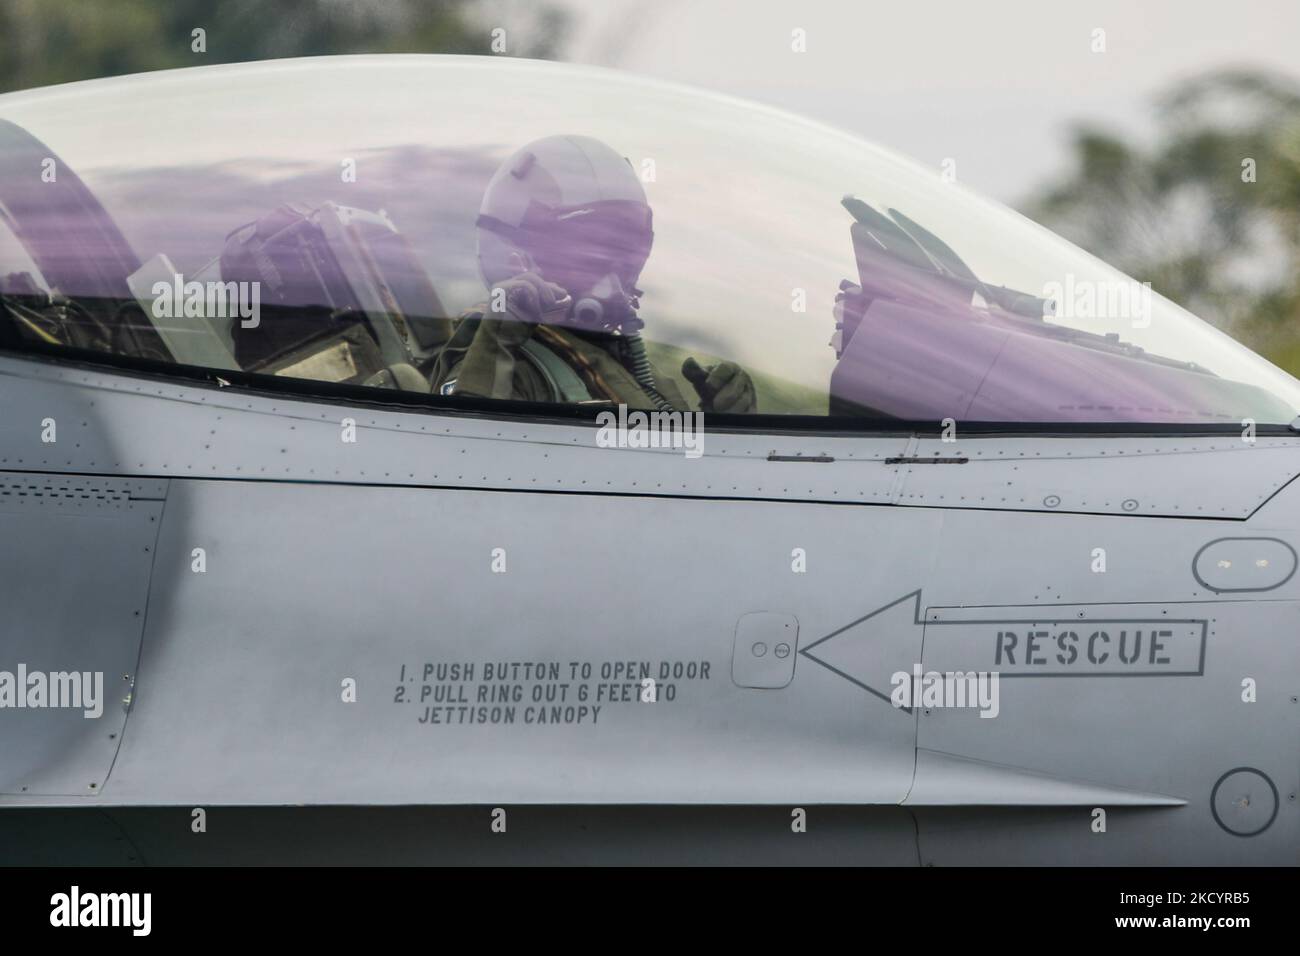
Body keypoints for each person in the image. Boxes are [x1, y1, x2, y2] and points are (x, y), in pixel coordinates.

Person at [430, 135, 756, 413]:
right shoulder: (503, 364)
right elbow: (463, 458)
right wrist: (497, 341)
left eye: (621, 248)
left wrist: (723, 422)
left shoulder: (635, 371)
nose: (611, 267)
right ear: (517, 257)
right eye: (585, 247)